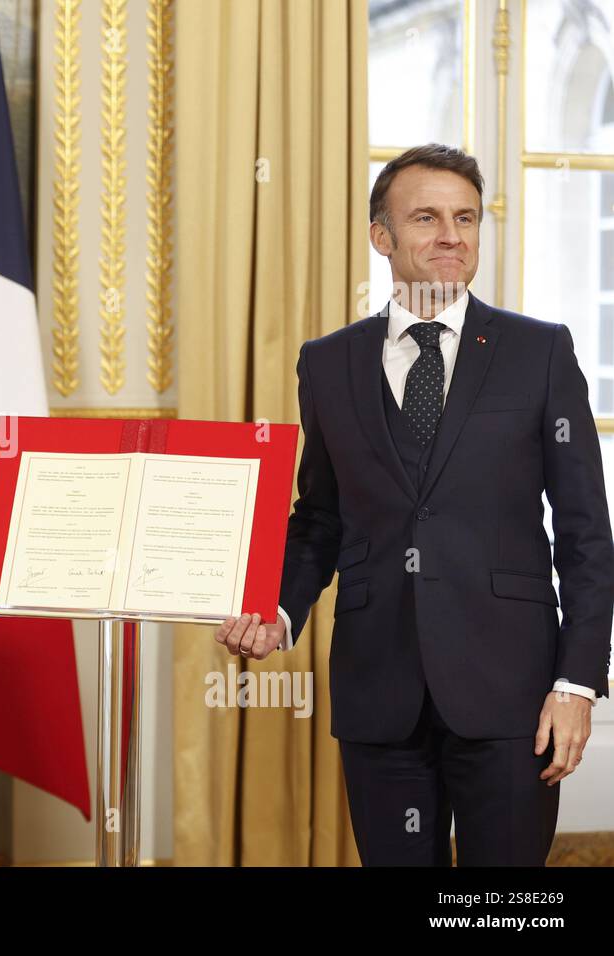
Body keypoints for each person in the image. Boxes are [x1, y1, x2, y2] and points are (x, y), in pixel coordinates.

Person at [219, 144, 613, 865]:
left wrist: (578, 683)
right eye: (426, 218)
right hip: (380, 689)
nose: (451, 236)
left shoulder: (540, 352)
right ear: (382, 237)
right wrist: (277, 607)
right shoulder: (328, 362)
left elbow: (587, 533)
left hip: (513, 695)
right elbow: (322, 516)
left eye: (466, 218)